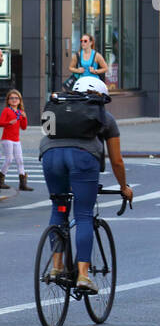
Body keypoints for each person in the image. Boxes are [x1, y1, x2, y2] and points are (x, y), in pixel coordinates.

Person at [38, 76, 133, 292]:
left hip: (50, 156)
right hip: (82, 158)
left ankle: (56, 267)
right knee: (83, 215)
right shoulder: (105, 117)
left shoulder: (58, 107)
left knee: (59, 207)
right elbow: (117, 161)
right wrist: (124, 187)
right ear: (100, 96)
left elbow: (49, 135)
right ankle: (82, 276)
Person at [0, 89, 33, 191]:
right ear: (8, 100)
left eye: (16, 98)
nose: (14, 100)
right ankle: (0, 180)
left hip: (16, 139)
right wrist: (9, 122)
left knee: (20, 160)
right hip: (7, 139)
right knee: (9, 159)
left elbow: (23, 127)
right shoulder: (7, 110)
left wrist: (24, 117)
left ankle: (22, 184)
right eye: (12, 98)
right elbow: (1, 123)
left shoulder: (20, 112)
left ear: (19, 100)